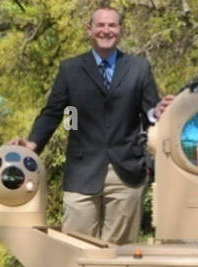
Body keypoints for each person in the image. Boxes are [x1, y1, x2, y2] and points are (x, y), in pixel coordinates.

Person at [13, 5, 161, 245]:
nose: (106, 30)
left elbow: (153, 116)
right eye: (100, 25)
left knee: (118, 254)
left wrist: (151, 160)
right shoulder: (70, 69)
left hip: (126, 172)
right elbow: (52, 113)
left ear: (121, 30)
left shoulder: (139, 68)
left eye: (112, 25)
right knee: (75, 248)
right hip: (82, 171)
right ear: (89, 30)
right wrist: (33, 143)